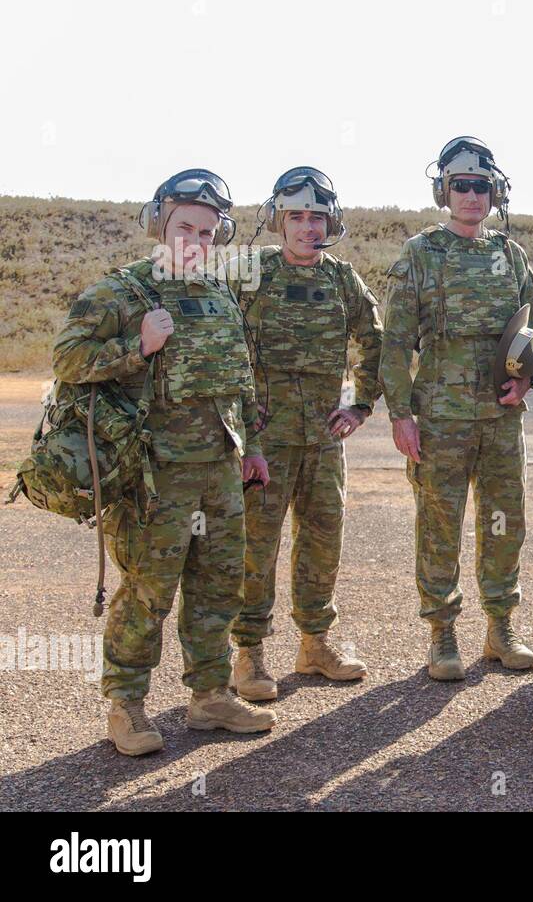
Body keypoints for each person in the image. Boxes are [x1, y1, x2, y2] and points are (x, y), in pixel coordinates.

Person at [52, 169, 275, 755]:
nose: (194, 241)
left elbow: (240, 381)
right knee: (149, 590)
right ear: (159, 225)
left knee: (218, 585)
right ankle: (125, 703)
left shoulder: (221, 291)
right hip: (155, 476)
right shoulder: (122, 292)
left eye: (206, 232)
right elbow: (68, 359)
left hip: (219, 471)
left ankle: (209, 696)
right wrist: (137, 347)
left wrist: (250, 448)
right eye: (184, 228)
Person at [381, 137, 533, 681]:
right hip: (440, 419)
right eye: (462, 186)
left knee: (505, 523)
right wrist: (401, 415)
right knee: (440, 524)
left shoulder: (510, 254)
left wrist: (526, 385)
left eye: (482, 187)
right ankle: (442, 632)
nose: (473, 196)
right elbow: (396, 342)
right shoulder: (420, 253)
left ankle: (501, 627)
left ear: (494, 192)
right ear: (444, 191)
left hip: (500, 419)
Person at [226, 167, 381, 700]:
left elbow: (376, 338)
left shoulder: (341, 279)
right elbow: (215, 340)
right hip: (263, 442)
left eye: (318, 217)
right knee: (256, 548)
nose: (308, 227)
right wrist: (238, 423)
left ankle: (314, 643)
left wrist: (360, 404)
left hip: (322, 439)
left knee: (322, 542)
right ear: (276, 220)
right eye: (297, 216)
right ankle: (248, 656)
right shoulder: (247, 273)